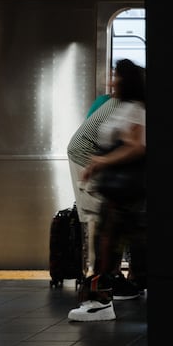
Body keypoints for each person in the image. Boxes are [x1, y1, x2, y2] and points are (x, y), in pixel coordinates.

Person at [69, 59, 147, 322]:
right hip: (118, 190)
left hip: (124, 190)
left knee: (109, 243)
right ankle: (106, 296)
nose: (112, 81)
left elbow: (135, 146)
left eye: (116, 77)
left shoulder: (134, 109)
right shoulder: (122, 107)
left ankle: (101, 301)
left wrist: (101, 162)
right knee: (111, 242)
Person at [66, 92, 117, 270]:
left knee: (99, 216)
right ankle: (100, 274)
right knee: (100, 214)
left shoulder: (108, 101)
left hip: (89, 158)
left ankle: (101, 271)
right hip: (85, 158)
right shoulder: (125, 107)